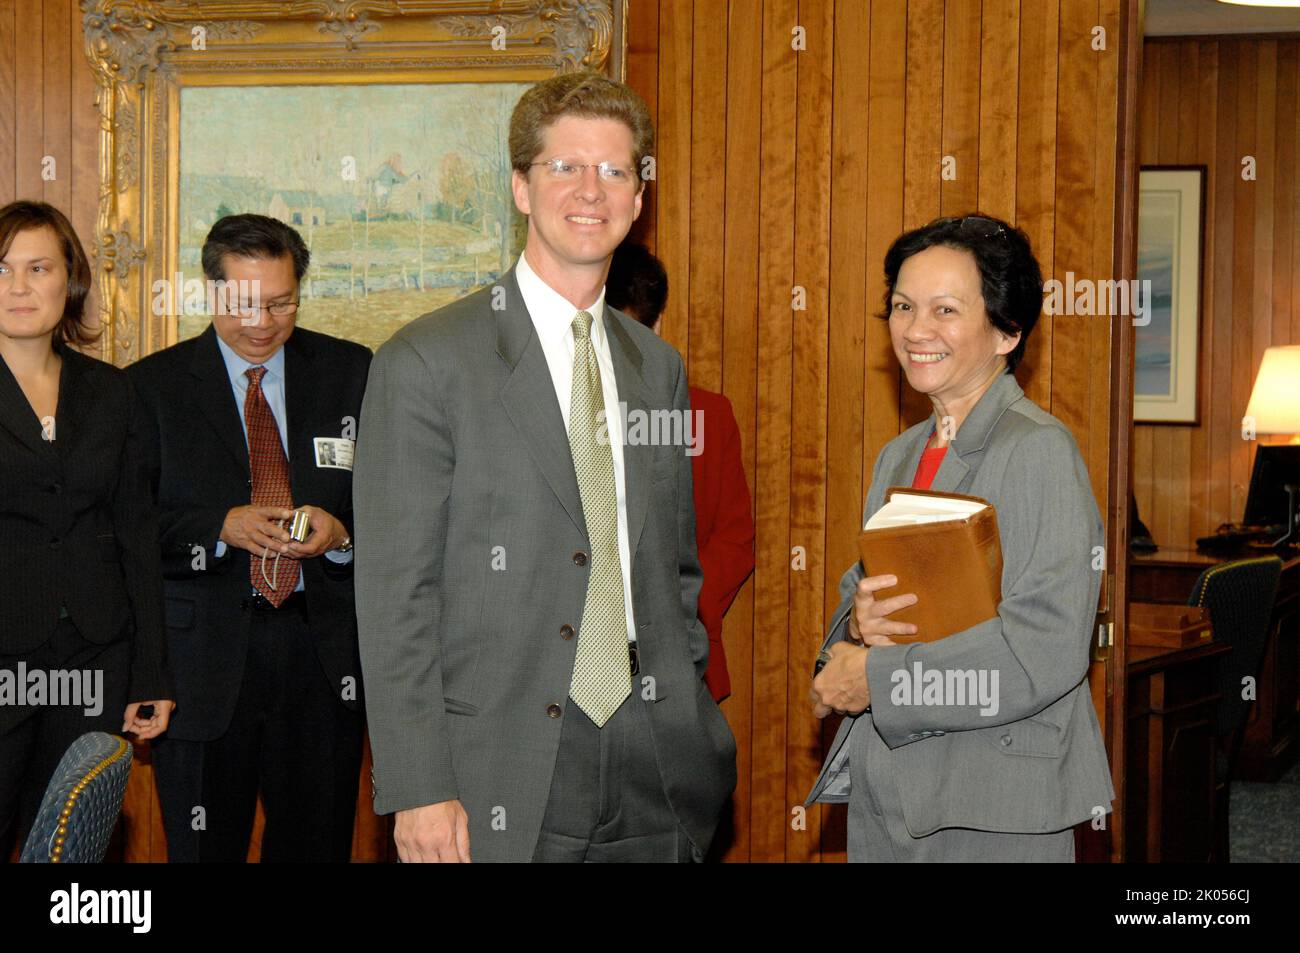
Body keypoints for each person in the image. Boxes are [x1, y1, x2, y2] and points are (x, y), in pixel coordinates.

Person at [354, 71, 736, 863]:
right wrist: (419, 782)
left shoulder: (656, 367)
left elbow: (674, 566)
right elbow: (396, 597)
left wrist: (689, 703)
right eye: (565, 167)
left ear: (639, 197)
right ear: (522, 188)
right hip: (501, 764)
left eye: (615, 170)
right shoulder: (427, 360)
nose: (590, 190)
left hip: (657, 760)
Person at [805, 214, 1115, 862]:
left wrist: (881, 681)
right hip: (891, 796)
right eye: (903, 305)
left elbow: (1044, 650)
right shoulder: (899, 455)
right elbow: (863, 599)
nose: (917, 330)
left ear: (1007, 329)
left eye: (946, 309)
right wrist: (857, 626)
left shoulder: (1040, 451)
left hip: (993, 802)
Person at [127, 214, 371, 862]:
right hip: (202, 667)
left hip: (323, 666)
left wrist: (342, 534)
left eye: (282, 302)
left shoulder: (351, 372)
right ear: (210, 292)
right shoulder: (151, 388)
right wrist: (218, 527)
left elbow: (398, 509)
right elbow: (127, 529)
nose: (264, 321)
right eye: (245, 303)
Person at [0, 200, 173, 853]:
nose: (18, 287)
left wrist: (150, 671)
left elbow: (135, 532)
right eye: (3, 269)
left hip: (93, 658)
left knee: (70, 846)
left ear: (67, 279)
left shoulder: (110, 392)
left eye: (37, 267)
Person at [605, 241, 755, 702]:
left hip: (681, 659)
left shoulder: (703, 415)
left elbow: (734, 538)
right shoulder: (551, 411)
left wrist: (677, 612)